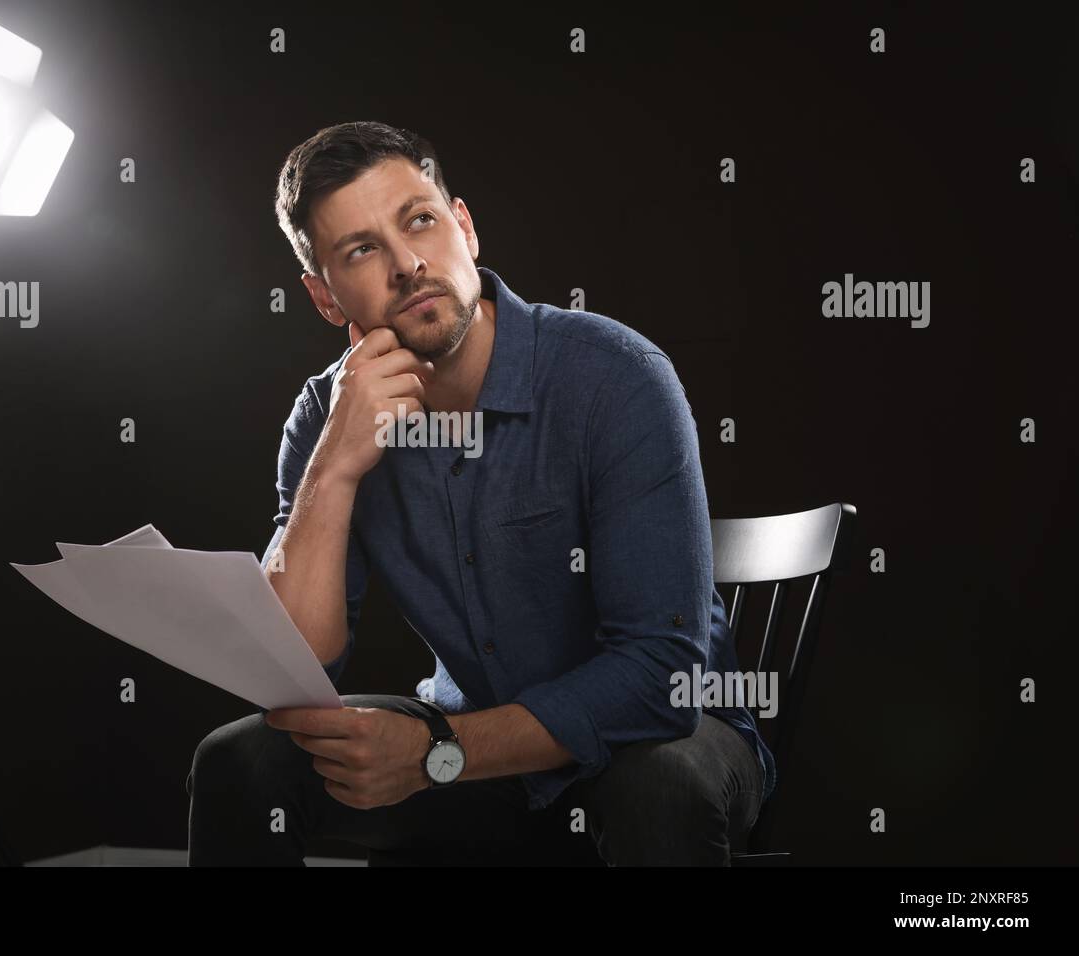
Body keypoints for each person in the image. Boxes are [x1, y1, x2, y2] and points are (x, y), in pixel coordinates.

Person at [187, 120, 775, 866]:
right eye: (362, 250)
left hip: (666, 737)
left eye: (421, 221)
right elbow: (293, 675)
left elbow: (661, 677)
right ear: (324, 298)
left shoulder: (615, 375)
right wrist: (333, 469)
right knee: (239, 760)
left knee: (657, 784)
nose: (408, 265)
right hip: (472, 737)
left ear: (464, 227)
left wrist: (438, 751)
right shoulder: (326, 418)